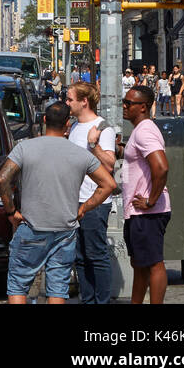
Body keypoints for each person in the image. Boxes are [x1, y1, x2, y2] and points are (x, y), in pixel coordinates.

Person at [0, 100, 116, 305]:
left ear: (44, 120)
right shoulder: (80, 154)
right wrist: (84, 208)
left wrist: (11, 212)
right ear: (67, 124)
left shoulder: (25, 147)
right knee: (58, 288)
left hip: (31, 226)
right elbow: (109, 185)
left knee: (18, 285)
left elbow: (2, 179)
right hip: (64, 230)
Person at [65, 82, 117, 305]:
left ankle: (102, 300)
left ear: (84, 101)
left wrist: (93, 145)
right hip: (75, 200)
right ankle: (88, 300)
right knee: (80, 257)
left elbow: (110, 165)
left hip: (95, 201)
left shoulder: (102, 128)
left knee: (96, 254)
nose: (67, 103)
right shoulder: (75, 127)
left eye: (70, 99)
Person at [121, 86, 171, 304]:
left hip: (148, 212)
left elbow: (161, 167)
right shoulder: (140, 130)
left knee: (153, 263)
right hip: (139, 211)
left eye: (128, 103)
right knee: (139, 264)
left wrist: (151, 200)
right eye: (124, 101)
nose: (124, 106)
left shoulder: (144, 130)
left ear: (143, 107)